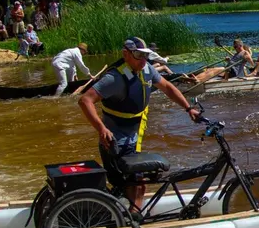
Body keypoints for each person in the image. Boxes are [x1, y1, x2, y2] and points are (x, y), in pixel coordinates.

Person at [78, 37, 203, 212]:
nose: (143, 60)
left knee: (135, 184)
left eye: (145, 55)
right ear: (126, 54)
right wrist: (101, 128)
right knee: (139, 184)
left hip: (132, 138)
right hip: (115, 141)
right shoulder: (115, 78)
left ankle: (127, 213)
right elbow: (85, 100)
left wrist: (189, 108)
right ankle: (133, 221)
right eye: (138, 55)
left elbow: (167, 87)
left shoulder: (147, 69)